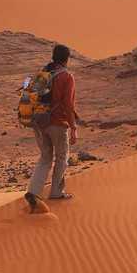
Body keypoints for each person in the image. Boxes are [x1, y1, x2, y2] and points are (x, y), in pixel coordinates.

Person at [26, 43, 83, 212]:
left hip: (38, 122)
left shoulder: (42, 74)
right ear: (67, 59)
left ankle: (33, 192)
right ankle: (57, 192)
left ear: (53, 56)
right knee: (61, 157)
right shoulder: (66, 77)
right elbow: (67, 104)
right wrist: (73, 127)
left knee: (45, 157)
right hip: (57, 123)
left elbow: (27, 92)